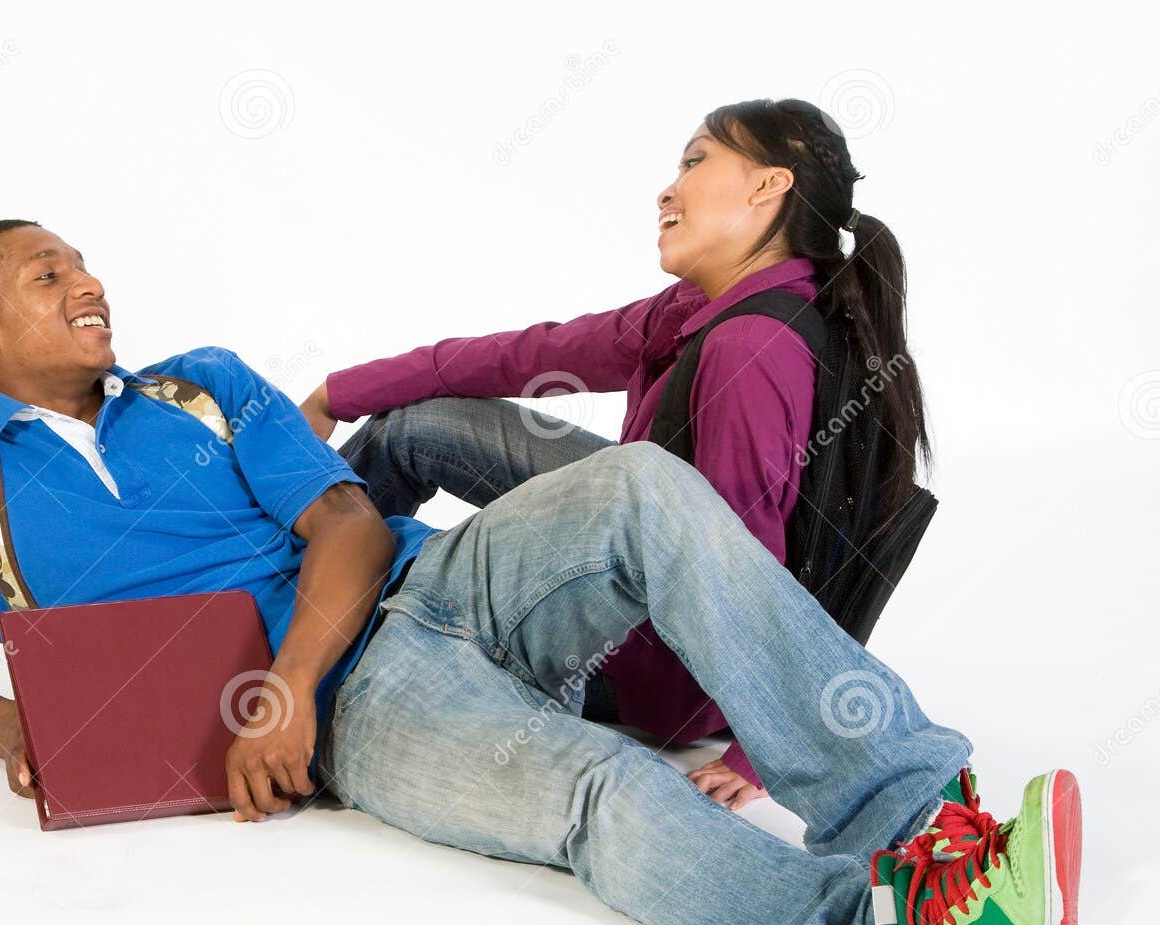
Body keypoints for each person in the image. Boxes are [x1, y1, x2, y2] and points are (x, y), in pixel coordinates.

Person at [0, 217, 1082, 925]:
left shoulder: (201, 379)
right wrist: (14, 732)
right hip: (362, 714)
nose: (89, 285)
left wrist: (283, 682)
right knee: (597, 785)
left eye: (83, 265)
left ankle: (925, 816)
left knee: (641, 488)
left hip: (424, 584)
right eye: (50, 277)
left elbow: (347, 523)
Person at [301, 98, 929, 813]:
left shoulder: (748, 350)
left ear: (767, 185)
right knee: (419, 424)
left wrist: (757, 755)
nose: (669, 188)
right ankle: (296, 574)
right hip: (638, 575)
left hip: (647, 668)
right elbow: (530, 354)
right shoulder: (699, 307)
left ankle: (285, 611)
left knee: (413, 577)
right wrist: (335, 392)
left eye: (696, 161)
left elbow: (743, 567)